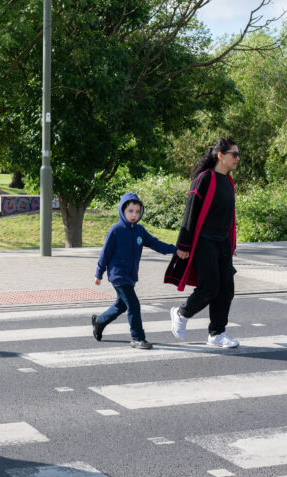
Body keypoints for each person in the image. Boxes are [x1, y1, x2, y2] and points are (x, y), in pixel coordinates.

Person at [165, 138, 241, 348]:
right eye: (234, 154)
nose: (238, 158)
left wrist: (232, 244)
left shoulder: (228, 181)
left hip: (222, 243)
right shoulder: (204, 179)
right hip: (204, 241)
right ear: (220, 155)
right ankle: (181, 313)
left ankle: (217, 334)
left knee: (226, 289)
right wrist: (183, 246)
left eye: (238, 154)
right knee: (209, 287)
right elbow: (190, 213)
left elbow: (229, 217)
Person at [91, 192, 176, 350]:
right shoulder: (115, 230)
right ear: (123, 210)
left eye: (137, 211)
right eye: (130, 211)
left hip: (130, 275)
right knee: (134, 305)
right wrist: (99, 273)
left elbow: (156, 244)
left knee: (122, 305)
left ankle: (100, 321)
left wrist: (175, 250)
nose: (134, 215)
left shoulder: (140, 231)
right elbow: (105, 253)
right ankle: (137, 338)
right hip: (117, 275)